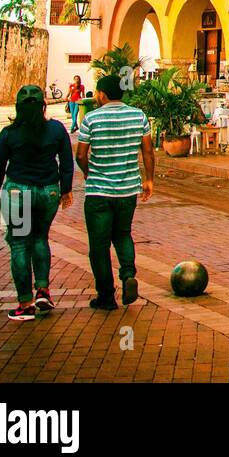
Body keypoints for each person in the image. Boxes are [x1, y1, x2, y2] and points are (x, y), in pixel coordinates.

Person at [0, 85, 74, 321]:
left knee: (20, 244)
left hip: (18, 193)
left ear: (18, 107)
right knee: (40, 238)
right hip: (48, 192)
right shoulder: (56, 129)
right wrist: (66, 189)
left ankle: (25, 302)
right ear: (43, 106)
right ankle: (43, 290)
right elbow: (66, 161)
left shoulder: (9, 134)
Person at [75, 74, 154, 310]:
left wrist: (91, 174)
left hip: (99, 192)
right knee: (122, 234)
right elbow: (148, 151)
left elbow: (80, 155)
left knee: (98, 245)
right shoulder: (138, 116)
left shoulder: (91, 118)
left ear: (102, 94)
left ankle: (106, 296)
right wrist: (149, 180)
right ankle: (128, 274)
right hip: (127, 189)